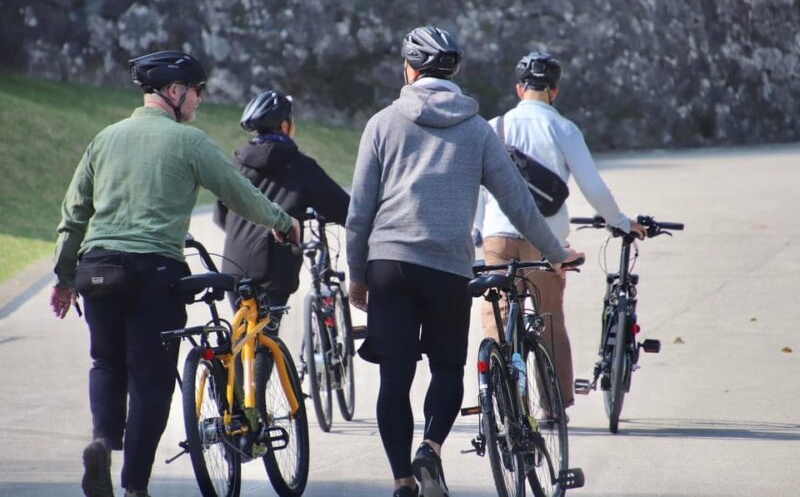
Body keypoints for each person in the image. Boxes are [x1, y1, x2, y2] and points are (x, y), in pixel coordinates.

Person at [345, 28, 583, 497]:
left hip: (389, 265)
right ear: (453, 73)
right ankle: (430, 448)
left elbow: (360, 213)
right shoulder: (476, 130)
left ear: (409, 70)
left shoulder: (383, 123)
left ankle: (402, 480)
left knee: (394, 378)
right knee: (448, 369)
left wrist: (356, 276)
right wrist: (557, 254)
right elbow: (517, 202)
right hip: (448, 270)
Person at [50, 50, 299, 497]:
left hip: (98, 269)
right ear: (174, 91)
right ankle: (134, 487)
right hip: (154, 272)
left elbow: (73, 214)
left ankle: (103, 443)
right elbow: (240, 193)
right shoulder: (191, 143)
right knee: (152, 380)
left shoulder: (104, 138)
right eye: (197, 92)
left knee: (106, 362)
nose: (200, 101)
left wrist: (65, 278)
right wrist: (283, 222)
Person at [475, 51, 645, 417]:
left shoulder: (493, 127)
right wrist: (618, 220)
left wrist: (478, 230)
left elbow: (477, 186)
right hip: (547, 243)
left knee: (498, 318)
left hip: (498, 237)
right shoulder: (564, 129)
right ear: (554, 91)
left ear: (520, 89)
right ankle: (553, 408)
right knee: (549, 317)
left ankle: (504, 402)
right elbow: (592, 187)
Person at [214, 90, 349, 317]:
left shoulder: (237, 163)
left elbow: (220, 215)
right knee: (267, 340)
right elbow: (343, 209)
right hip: (273, 271)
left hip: (233, 266)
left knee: (244, 341)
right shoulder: (301, 166)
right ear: (285, 126)